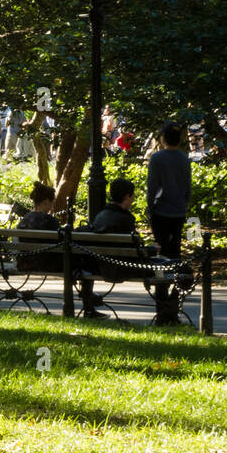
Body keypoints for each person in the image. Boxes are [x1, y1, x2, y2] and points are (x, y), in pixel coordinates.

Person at [76, 177, 140, 319]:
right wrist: (151, 250)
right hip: (120, 269)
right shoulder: (126, 219)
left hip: (98, 266)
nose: (133, 199)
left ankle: (89, 306)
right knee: (168, 269)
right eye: (132, 196)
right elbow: (135, 252)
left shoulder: (101, 215)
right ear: (127, 196)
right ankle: (167, 313)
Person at [146, 122, 191, 324]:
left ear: (162, 138)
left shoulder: (157, 158)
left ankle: (162, 308)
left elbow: (152, 186)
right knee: (175, 257)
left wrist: (151, 208)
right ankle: (171, 309)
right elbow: (187, 187)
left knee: (161, 260)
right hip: (178, 212)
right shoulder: (184, 158)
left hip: (161, 213)